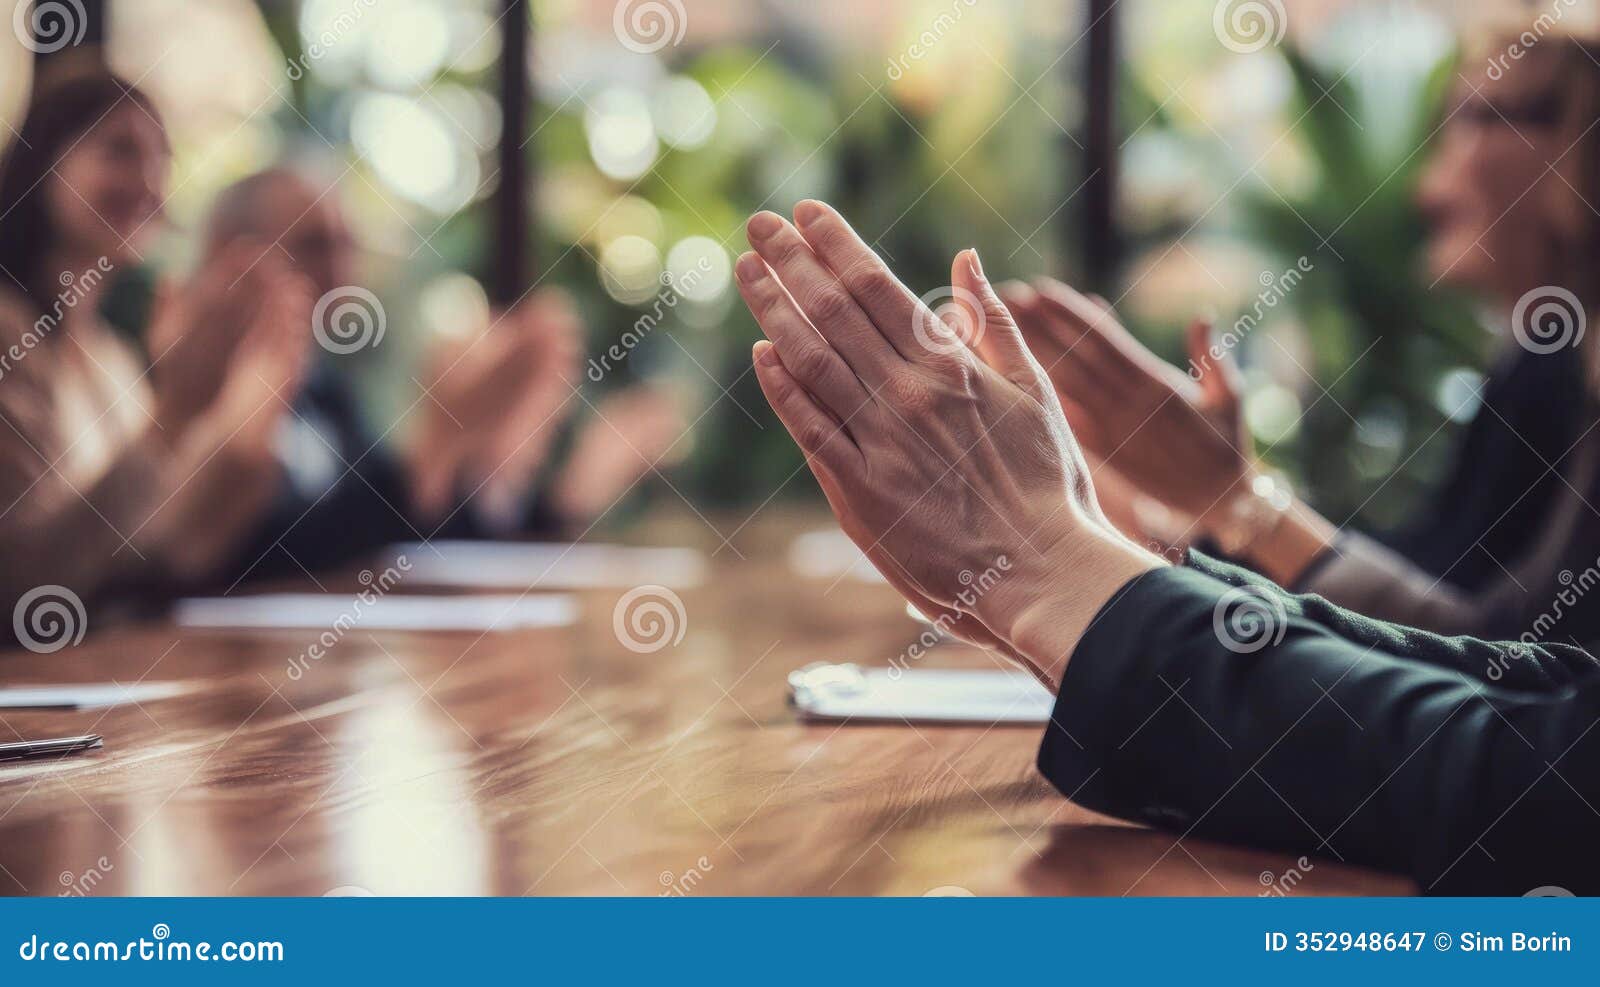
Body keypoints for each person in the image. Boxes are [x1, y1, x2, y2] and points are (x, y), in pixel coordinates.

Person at [734, 199, 1600, 895]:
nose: (1434, 185)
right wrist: (1093, 577)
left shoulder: (1545, 367)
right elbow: (1544, 681)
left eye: (1495, 115)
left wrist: (1064, 567)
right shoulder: (1538, 364)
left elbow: (1542, 778)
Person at [1003, 33, 1600, 646]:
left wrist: (1229, 500)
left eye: (1478, 117)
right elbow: (1433, 573)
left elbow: (1497, 660)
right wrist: (1183, 512)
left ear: (1578, 145)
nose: (1428, 187)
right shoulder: (1539, 358)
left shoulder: (1562, 371)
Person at [194, 167, 686, 583]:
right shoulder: (195, 384)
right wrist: (444, 434)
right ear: (226, 251)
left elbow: (408, 535)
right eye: (314, 244)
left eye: (347, 246)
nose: (340, 271)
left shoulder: (324, 387)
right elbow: (238, 556)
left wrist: (522, 480)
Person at [0, 69, 312, 626]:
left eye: (160, 159)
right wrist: (174, 412)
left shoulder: (113, 359)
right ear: (43, 162)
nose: (148, 182)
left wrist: (250, 401)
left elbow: (162, 554)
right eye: (119, 150)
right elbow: (20, 580)